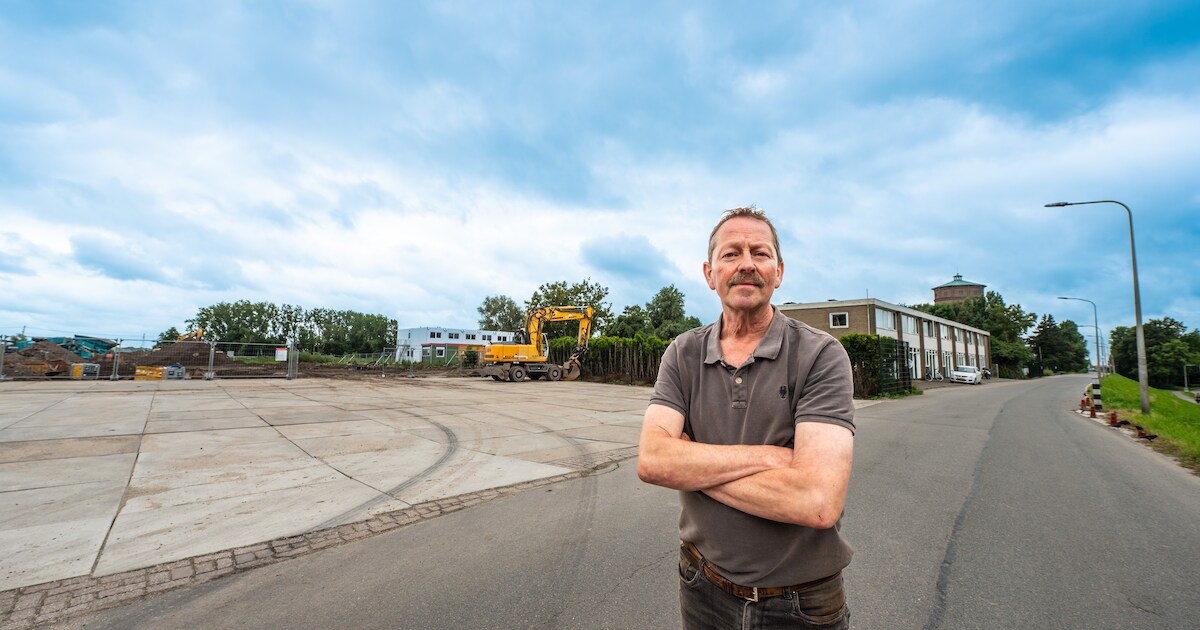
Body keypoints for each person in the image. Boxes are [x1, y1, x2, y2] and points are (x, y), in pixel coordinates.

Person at [637, 207, 856, 629]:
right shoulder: (682, 353)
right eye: (731, 253)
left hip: (801, 602)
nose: (746, 264)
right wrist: (773, 458)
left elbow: (817, 502)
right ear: (709, 274)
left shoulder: (820, 354)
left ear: (779, 272)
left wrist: (690, 466)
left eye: (760, 252)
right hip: (702, 586)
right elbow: (652, 461)